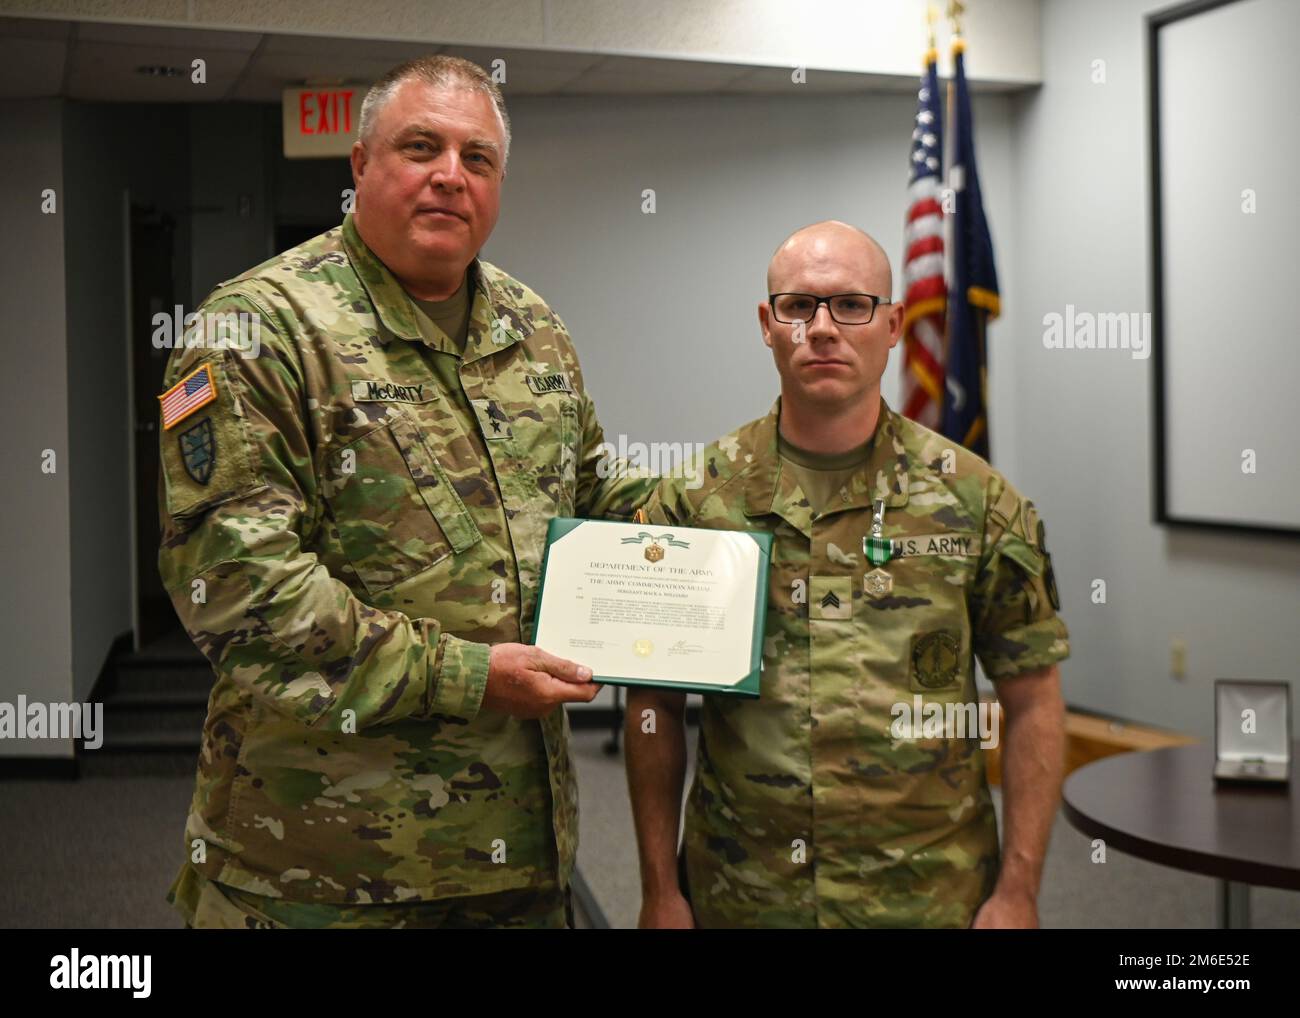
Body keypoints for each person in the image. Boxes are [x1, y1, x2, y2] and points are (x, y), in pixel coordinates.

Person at [156, 55, 652, 929]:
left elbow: (592, 504)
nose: (450, 176)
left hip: (518, 859)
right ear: (359, 165)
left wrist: (743, 508)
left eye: (478, 158)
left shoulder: (533, 330)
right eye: (420, 147)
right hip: (321, 870)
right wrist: (469, 676)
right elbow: (240, 592)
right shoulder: (258, 330)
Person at [625, 221, 1069, 928]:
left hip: (929, 896)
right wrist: (658, 889)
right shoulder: (695, 503)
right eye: (799, 306)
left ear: (894, 325)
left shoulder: (976, 500)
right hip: (744, 895)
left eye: (851, 305)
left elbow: (1034, 701)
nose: (823, 328)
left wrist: (1018, 892)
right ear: (767, 325)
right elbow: (654, 708)